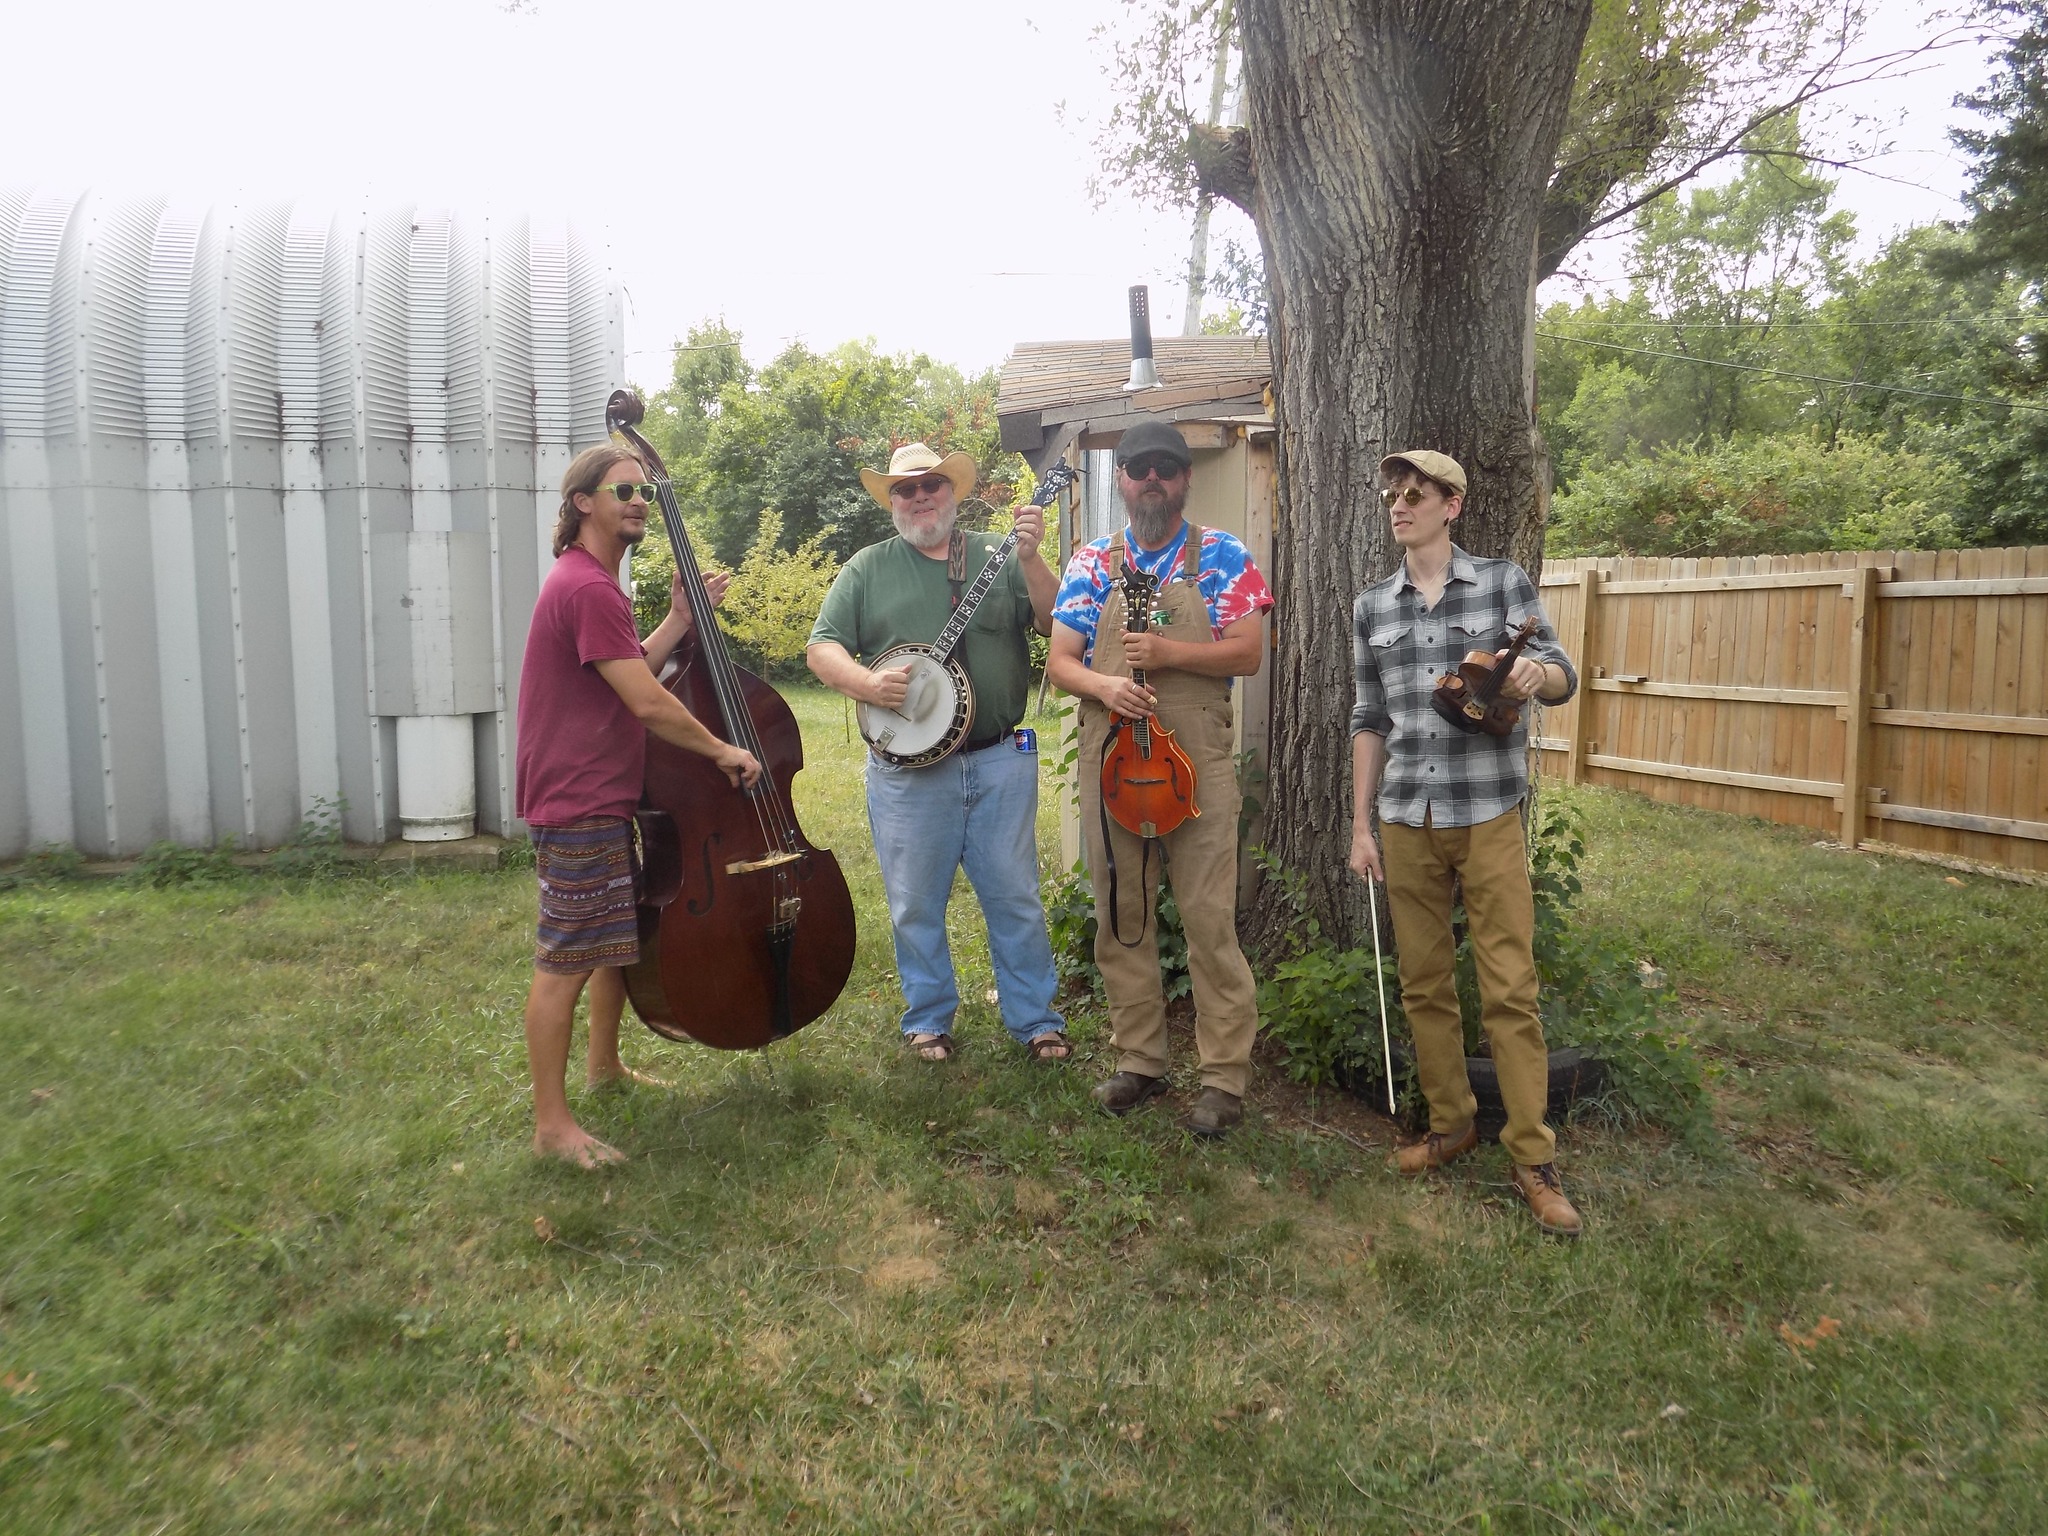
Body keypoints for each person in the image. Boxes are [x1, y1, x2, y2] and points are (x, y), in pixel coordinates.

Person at [1347, 449, 1583, 1236]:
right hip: (1405, 817)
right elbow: (1368, 720)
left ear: (1452, 506)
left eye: (1414, 494)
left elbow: (1560, 670)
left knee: (1510, 986)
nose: (1397, 505)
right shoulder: (1372, 607)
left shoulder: (1503, 583)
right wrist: (1359, 824)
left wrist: (1531, 680)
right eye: (1391, 494)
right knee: (1423, 983)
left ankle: (1532, 1155)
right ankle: (1452, 1124)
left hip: (1486, 812)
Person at [515, 445, 761, 1167]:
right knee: (567, 960)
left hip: (596, 795)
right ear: (581, 502)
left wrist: (680, 622)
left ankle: (604, 1069)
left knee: (606, 943)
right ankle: (552, 1127)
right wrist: (722, 750)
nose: (638, 500)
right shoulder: (586, 587)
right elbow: (648, 703)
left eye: (645, 491)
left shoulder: (592, 586)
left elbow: (629, 670)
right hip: (577, 798)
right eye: (622, 489)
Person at [1044, 419, 1274, 1138]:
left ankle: (1223, 1079)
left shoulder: (1223, 557)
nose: (1151, 479)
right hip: (1114, 759)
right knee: (1122, 915)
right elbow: (1060, 664)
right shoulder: (1089, 563)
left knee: (1208, 918)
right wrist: (1106, 686)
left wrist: (1168, 653)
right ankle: (1140, 1062)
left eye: (1164, 469)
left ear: (1184, 480)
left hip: (1197, 763)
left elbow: (1246, 655)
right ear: (1120, 480)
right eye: (1138, 468)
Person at [805, 442, 1070, 1064]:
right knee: (913, 900)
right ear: (892, 501)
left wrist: (1033, 562)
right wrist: (865, 684)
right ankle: (928, 1017)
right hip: (907, 770)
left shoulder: (1000, 554)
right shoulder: (867, 569)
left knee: (1015, 896)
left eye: (932, 486)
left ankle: (1036, 1021)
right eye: (906, 489)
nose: (920, 497)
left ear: (953, 492)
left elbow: (1058, 620)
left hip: (1000, 756)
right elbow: (823, 647)